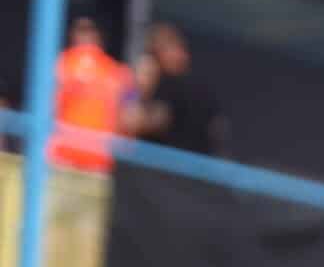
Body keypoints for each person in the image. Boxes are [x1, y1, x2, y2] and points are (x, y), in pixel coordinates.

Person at [48, 17, 135, 175]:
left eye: (88, 30)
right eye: (81, 30)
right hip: (67, 156)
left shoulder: (118, 73)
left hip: (93, 160)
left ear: (98, 36)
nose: (84, 36)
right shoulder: (63, 63)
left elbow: (127, 119)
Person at [128, 23, 225, 156]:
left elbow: (149, 120)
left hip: (169, 166)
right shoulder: (197, 85)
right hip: (191, 166)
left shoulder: (172, 84)